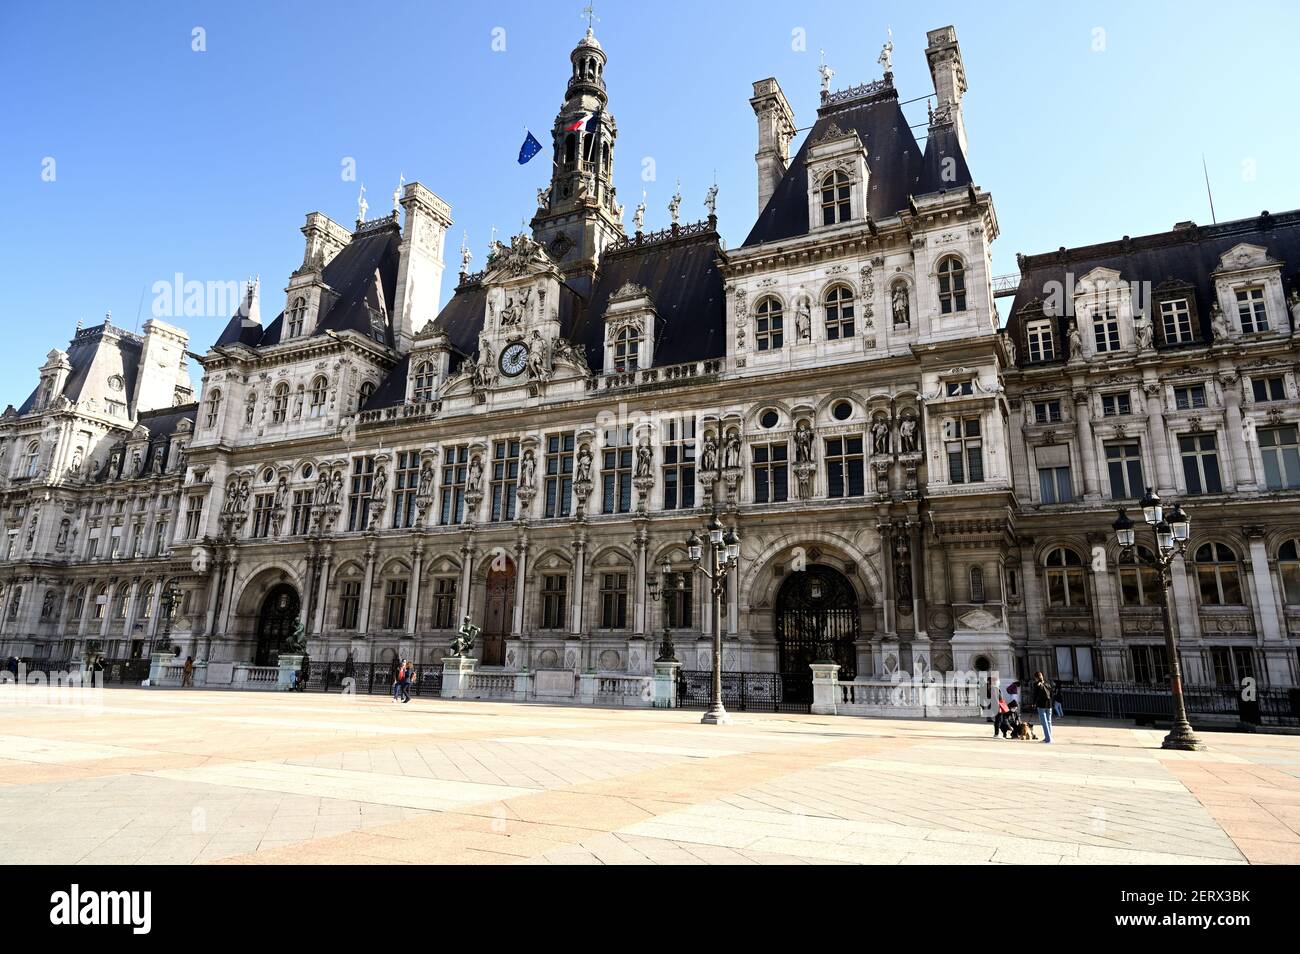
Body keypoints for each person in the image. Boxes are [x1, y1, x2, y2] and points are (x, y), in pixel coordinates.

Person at [1032, 671, 1054, 743]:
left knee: (1044, 723)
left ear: (1036, 678)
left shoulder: (1036, 685)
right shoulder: (1047, 684)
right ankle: (1049, 737)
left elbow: (1035, 695)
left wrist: (1033, 703)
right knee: (1049, 722)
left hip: (1041, 705)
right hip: (1049, 704)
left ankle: (1048, 739)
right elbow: (1051, 694)